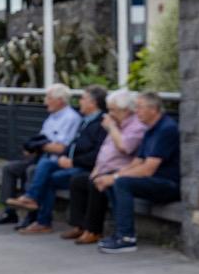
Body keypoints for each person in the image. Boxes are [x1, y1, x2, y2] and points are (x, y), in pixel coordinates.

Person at [7, 86, 107, 234]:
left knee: (49, 175)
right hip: (70, 161)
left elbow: (97, 154)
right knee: (46, 167)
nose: (79, 102)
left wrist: (73, 161)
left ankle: (40, 214)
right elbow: (72, 145)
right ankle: (34, 206)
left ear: (93, 103)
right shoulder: (86, 121)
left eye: (83, 98)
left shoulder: (100, 123)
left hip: (85, 167)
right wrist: (65, 156)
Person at [96, 92, 181, 253]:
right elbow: (137, 161)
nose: (136, 111)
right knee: (114, 180)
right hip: (153, 181)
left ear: (153, 109)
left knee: (121, 182)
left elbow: (148, 169)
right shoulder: (150, 128)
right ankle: (119, 233)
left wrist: (115, 177)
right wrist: (111, 175)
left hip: (168, 185)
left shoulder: (166, 129)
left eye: (140, 107)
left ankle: (127, 238)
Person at [0, 84, 81, 227]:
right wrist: (32, 146)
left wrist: (39, 145)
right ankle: (9, 211)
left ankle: (31, 215)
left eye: (49, 98)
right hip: (42, 156)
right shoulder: (52, 117)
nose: (45, 102)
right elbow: (43, 139)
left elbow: (60, 147)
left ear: (60, 100)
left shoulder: (70, 118)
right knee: (10, 168)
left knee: (31, 170)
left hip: (55, 160)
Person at [63, 89, 146, 244]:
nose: (109, 114)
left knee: (96, 184)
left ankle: (94, 230)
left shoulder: (135, 126)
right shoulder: (117, 123)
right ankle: (80, 225)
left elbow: (124, 147)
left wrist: (111, 128)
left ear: (126, 110)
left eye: (113, 110)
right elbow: (103, 152)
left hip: (122, 170)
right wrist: (96, 171)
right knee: (78, 181)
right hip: (104, 168)